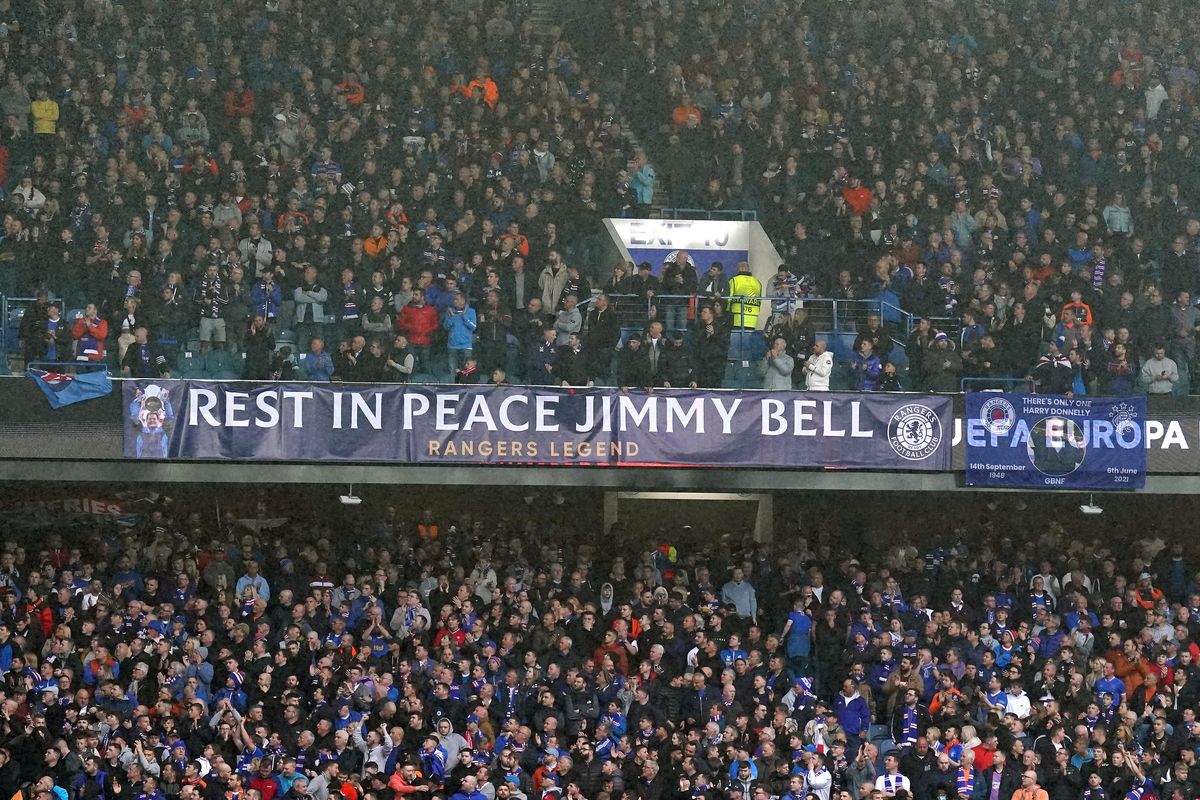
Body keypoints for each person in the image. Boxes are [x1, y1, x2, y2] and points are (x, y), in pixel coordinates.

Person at [727, 261, 763, 329]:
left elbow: (729, 298)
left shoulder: (734, 280)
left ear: (739, 269)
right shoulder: (757, 282)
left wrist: (727, 311)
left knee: (736, 338)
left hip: (737, 317)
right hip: (753, 317)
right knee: (748, 337)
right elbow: (759, 299)